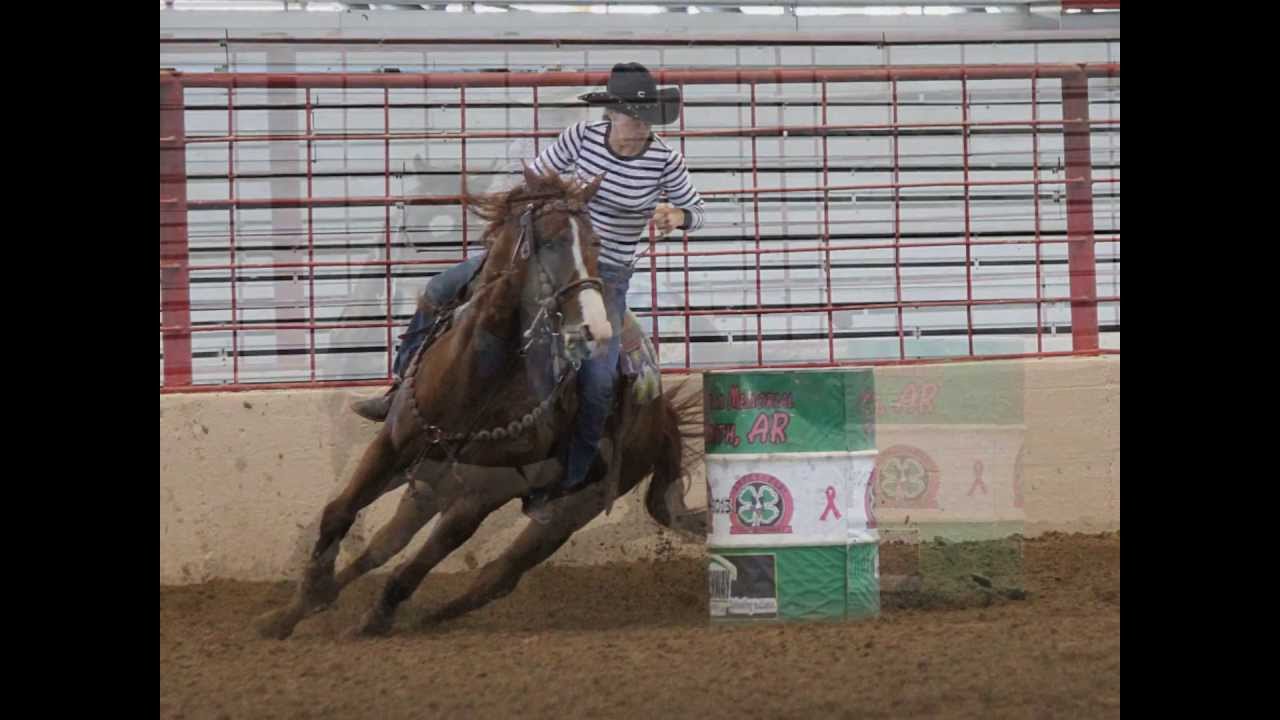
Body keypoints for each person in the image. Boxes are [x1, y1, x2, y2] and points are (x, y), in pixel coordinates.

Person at [352, 62, 706, 514]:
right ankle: (399, 387)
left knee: (599, 380)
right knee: (440, 288)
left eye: (646, 120)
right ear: (611, 115)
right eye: (632, 119)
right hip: (541, 255)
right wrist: (543, 212)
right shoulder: (581, 139)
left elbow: (698, 209)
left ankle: (571, 476)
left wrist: (677, 216)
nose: (640, 129)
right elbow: (535, 179)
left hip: (601, 276)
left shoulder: (665, 160)